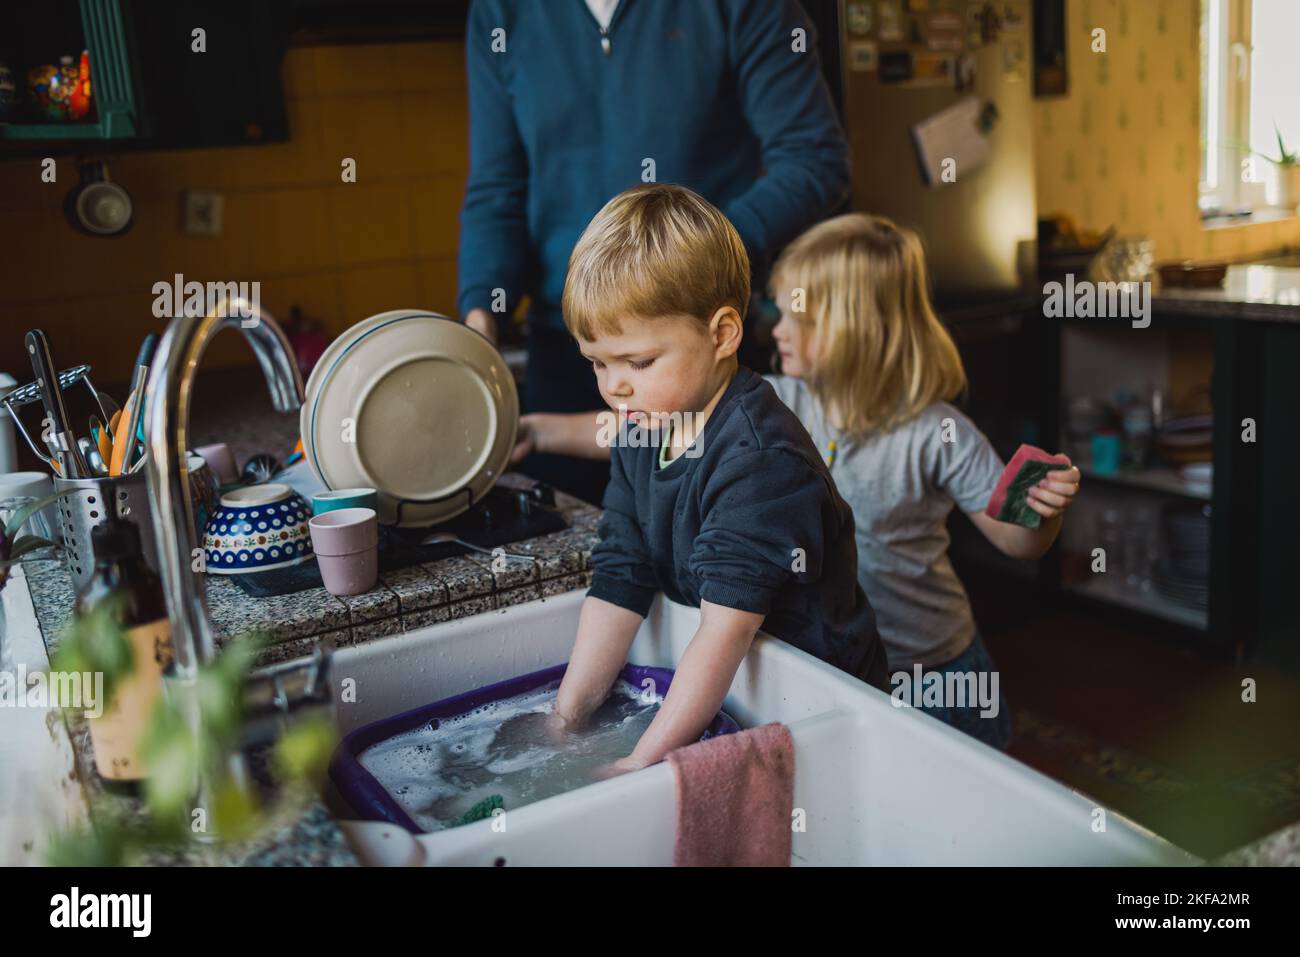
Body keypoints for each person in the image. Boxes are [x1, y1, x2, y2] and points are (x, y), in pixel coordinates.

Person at [549, 185, 886, 774]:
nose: (614, 387)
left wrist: (643, 761)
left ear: (723, 334)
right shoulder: (643, 429)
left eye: (639, 362)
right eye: (598, 362)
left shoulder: (762, 462)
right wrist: (565, 718)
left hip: (823, 704)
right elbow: (621, 573)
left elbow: (725, 632)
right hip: (737, 691)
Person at [458, 0, 850, 504]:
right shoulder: (501, 12)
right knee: (588, 554)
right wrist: (477, 332)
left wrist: (689, 255)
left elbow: (814, 158)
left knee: (723, 537)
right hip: (569, 346)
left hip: (691, 344)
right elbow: (497, 189)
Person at [763, 214, 1082, 749]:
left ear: (853, 326)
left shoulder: (939, 432)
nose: (777, 330)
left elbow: (1017, 539)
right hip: (835, 658)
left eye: (798, 315)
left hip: (934, 671)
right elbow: (669, 424)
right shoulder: (779, 406)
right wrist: (571, 426)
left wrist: (1043, 513)